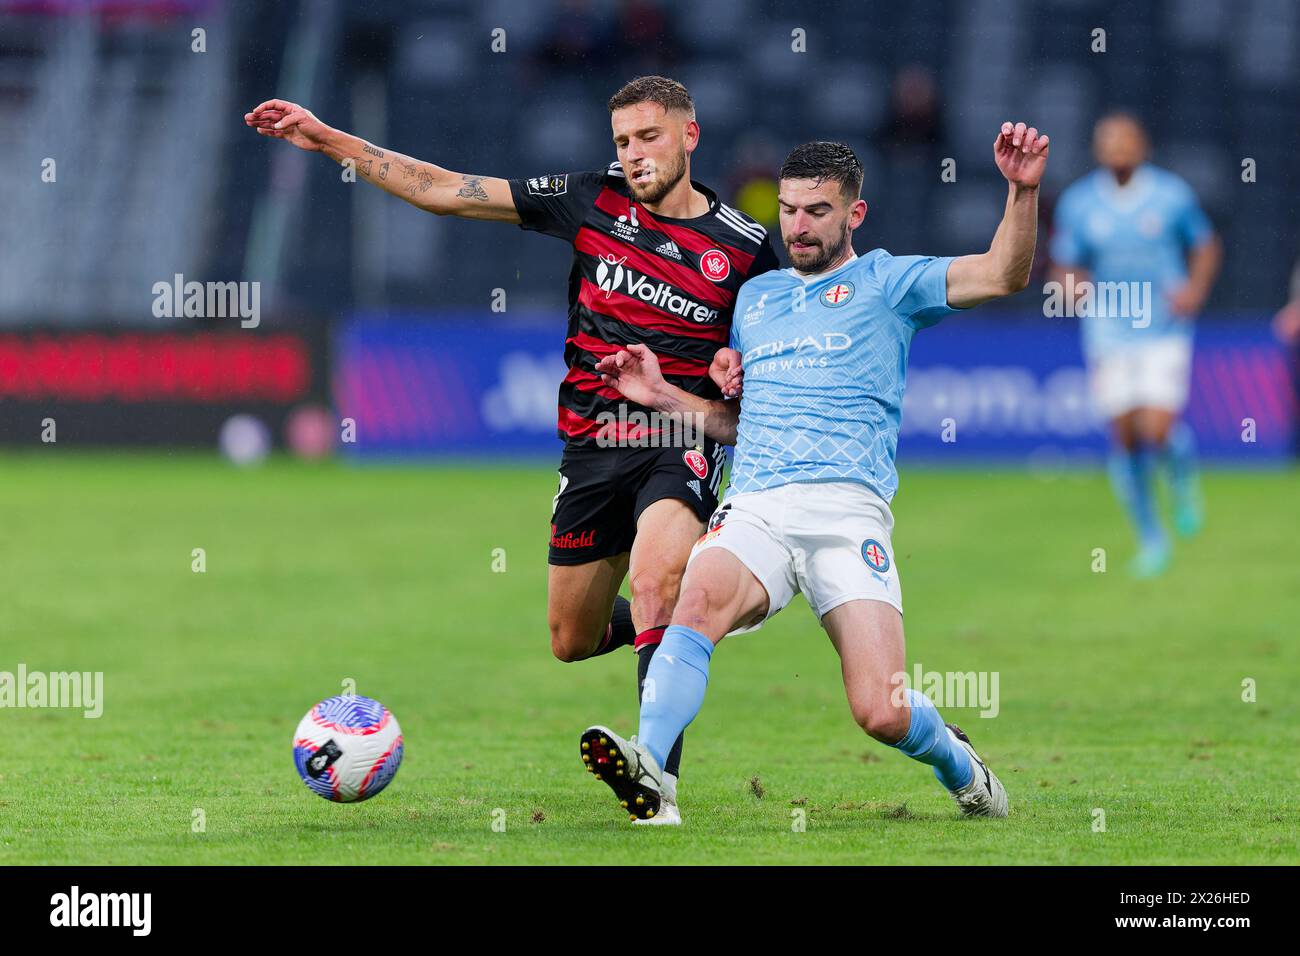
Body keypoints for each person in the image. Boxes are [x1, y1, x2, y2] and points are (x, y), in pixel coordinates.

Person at [246, 76, 779, 825]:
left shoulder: (749, 249)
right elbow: (445, 190)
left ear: (690, 136)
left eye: (649, 137)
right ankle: (700, 619)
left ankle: (655, 780)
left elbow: (771, 361)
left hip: (675, 438)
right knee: (572, 637)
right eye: (622, 140)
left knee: (658, 575)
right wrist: (329, 137)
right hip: (591, 448)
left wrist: (737, 376)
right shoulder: (590, 199)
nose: (632, 154)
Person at [579, 124, 1051, 822]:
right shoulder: (757, 298)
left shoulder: (890, 283)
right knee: (694, 603)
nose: (797, 227)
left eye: (817, 212)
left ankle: (959, 761)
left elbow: (1002, 273)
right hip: (759, 504)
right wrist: (664, 397)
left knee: (881, 711)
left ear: (854, 214)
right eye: (789, 210)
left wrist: (1023, 189)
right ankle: (653, 774)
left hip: (846, 512)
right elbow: (740, 424)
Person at [1050, 113, 1222, 577]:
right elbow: (1064, 263)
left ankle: (1181, 471)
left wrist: (1195, 290)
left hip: (1163, 327)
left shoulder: (1170, 195)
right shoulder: (1081, 202)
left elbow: (1205, 245)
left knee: (1157, 430)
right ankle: (1151, 538)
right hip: (1108, 328)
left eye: (1126, 140)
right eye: (1108, 140)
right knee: (1125, 437)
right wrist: (1070, 287)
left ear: (1142, 146)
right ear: (1097, 148)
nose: (1118, 148)